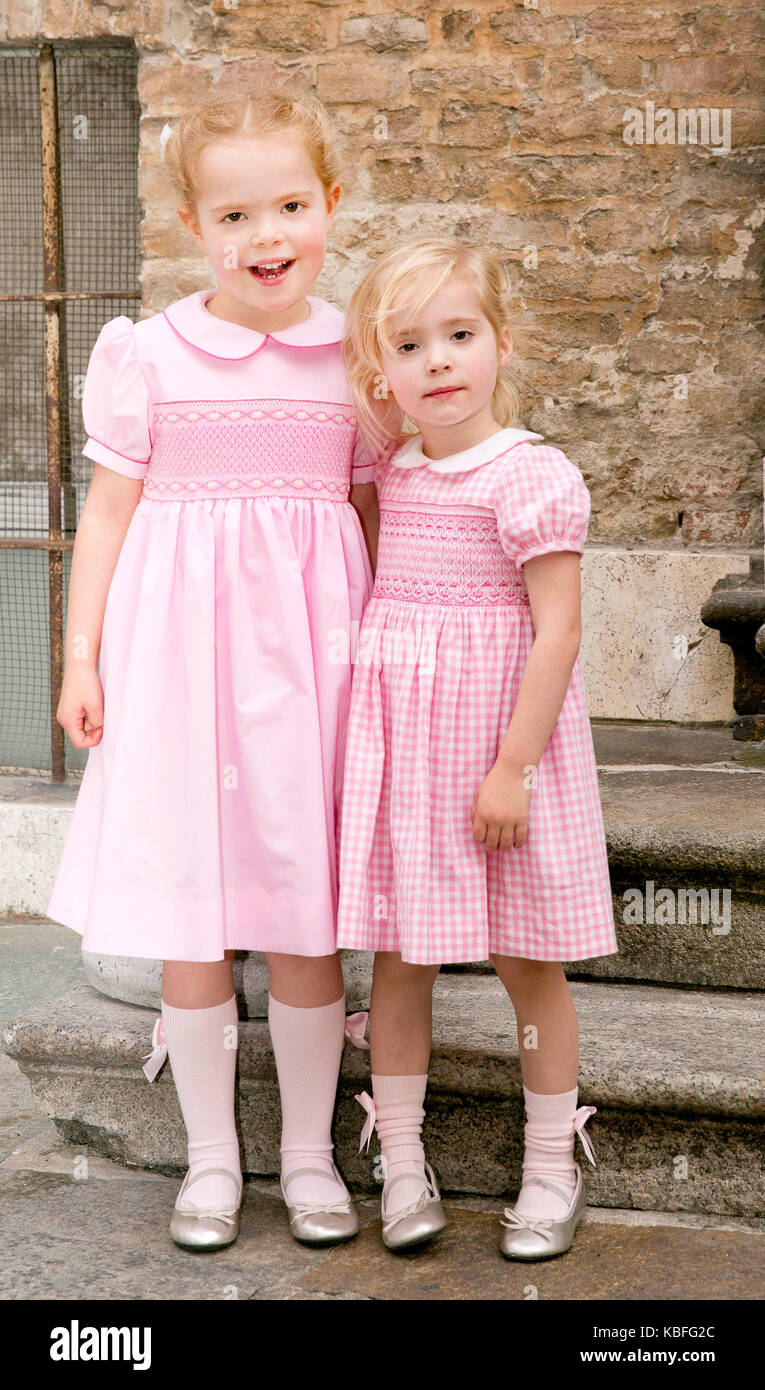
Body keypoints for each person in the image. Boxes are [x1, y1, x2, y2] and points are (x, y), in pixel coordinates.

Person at [46, 85, 388, 1252]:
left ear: (331, 205)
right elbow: (106, 516)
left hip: (313, 677)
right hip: (180, 677)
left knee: (302, 917)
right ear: (196, 225)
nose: (267, 236)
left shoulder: (355, 354)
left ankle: (306, 1157)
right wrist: (81, 657)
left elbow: (370, 515)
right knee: (194, 919)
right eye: (236, 215)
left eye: (291, 205)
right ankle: (209, 1159)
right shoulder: (149, 355)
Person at [336, 236, 619, 1258]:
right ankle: (402, 1158)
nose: (439, 361)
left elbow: (560, 632)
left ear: (502, 343)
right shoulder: (392, 476)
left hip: (504, 756)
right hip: (408, 758)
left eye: (460, 335)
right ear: (382, 372)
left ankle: (549, 1161)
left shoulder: (530, 476)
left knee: (526, 959)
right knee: (401, 959)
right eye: (410, 345)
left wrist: (512, 768)